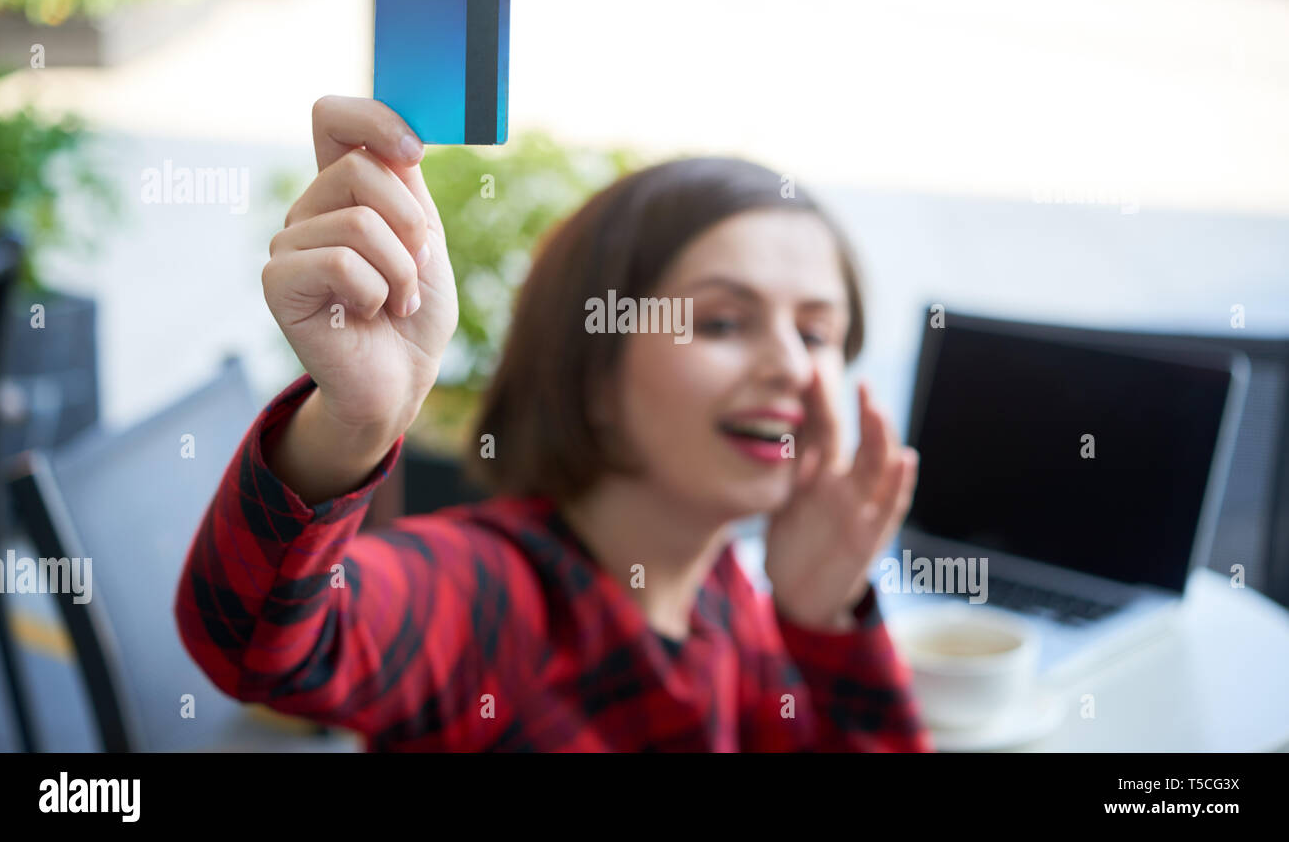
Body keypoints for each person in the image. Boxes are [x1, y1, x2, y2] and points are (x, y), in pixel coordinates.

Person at [174, 95, 932, 751]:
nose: (794, 369)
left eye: (817, 334)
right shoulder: (486, 593)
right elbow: (254, 647)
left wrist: (823, 618)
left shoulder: (730, 594)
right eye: (725, 323)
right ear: (594, 370)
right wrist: (354, 422)